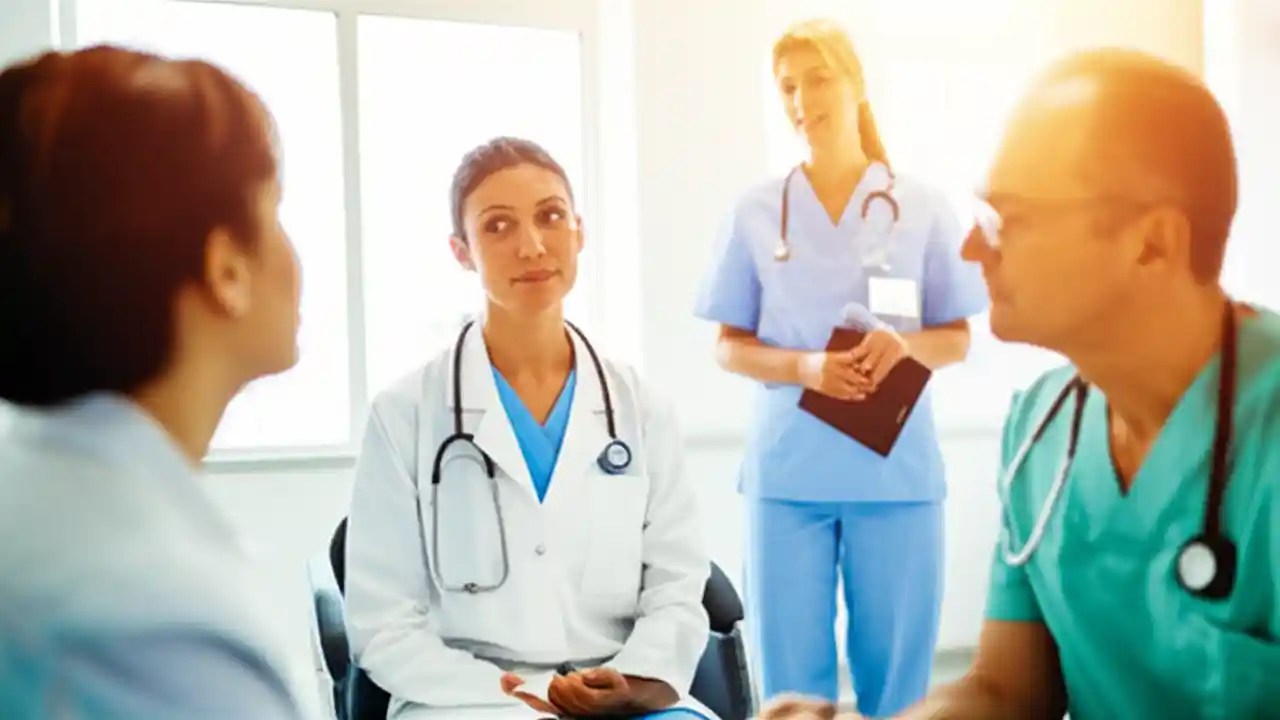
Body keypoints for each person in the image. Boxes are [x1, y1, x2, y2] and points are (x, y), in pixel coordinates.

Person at [763, 47, 1280, 720]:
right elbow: (1007, 692)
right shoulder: (1040, 431)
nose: (972, 251)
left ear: (1152, 243)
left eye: (1010, 219)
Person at [343, 136, 715, 720]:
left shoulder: (640, 407)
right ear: (461, 251)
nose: (533, 245)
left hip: (623, 695)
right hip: (466, 699)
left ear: (579, 231)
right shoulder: (406, 413)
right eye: (497, 227)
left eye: (550, 216)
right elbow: (383, 624)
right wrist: (522, 694)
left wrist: (631, 680)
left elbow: (678, 582)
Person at [0, 47, 308, 719]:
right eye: (276, 208)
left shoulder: (40, 496)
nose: (293, 251)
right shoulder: (143, 617)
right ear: (226, 266)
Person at [693, 18, 987, 718]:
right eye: (788, 86)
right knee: (792, 689)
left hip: (896, 474)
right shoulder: (757, 211)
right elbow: (728, 345)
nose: (801, 100)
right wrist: (807, 366)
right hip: (788, 476)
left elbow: (958, 337)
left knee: (899, 691)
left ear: (857, 82)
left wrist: (905, 346)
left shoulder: (921, 207)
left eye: (817, 78)